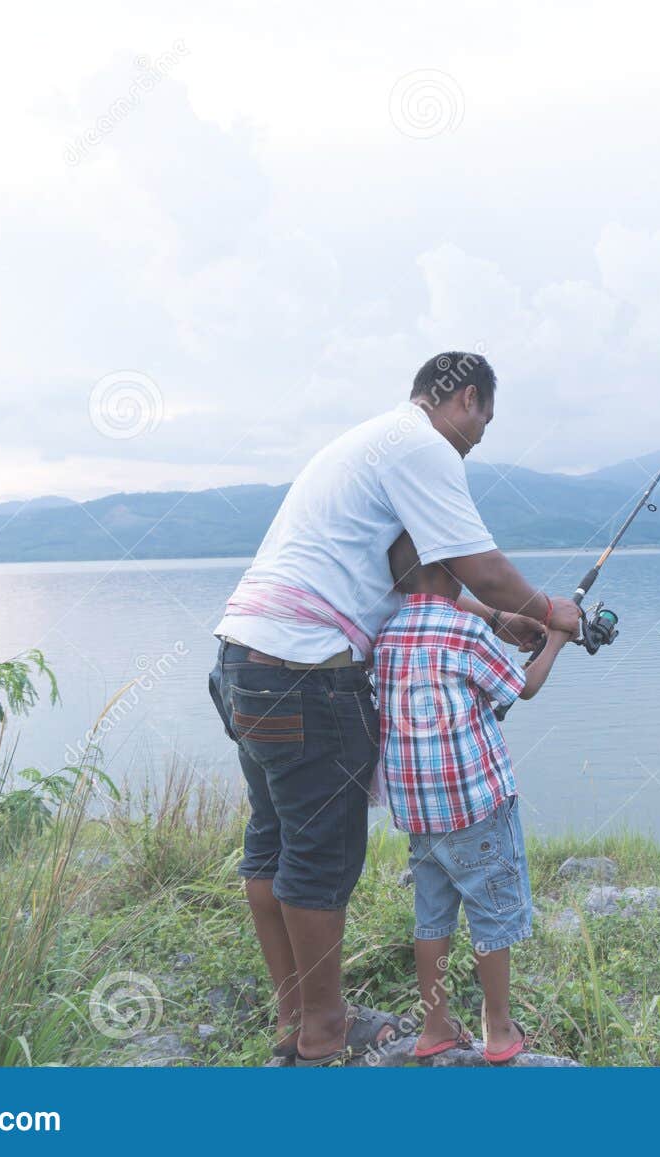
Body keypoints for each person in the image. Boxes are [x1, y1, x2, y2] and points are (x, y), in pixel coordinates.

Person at [207, 351, 583, 1066]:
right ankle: (322, 1032)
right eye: (483, 423)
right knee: (319, 862)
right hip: (308, 674)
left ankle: (299, 1018)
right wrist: (547, 611)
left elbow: (415, 581)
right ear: (466, 397)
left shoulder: (366, 443)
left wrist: (496, 619)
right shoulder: (425, 445)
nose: (477, 441)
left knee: (274, 847)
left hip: (244, 659)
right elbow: (479, 563)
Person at [375, 532, 571, 1064]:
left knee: (432, 918)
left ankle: (434, 1026)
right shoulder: (465, 630)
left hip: (419, 814)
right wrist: (557, 634)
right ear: (453, 573)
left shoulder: (386, 635)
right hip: (477, 807)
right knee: (492, 917)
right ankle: (499, 1030)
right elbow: (522, 687)